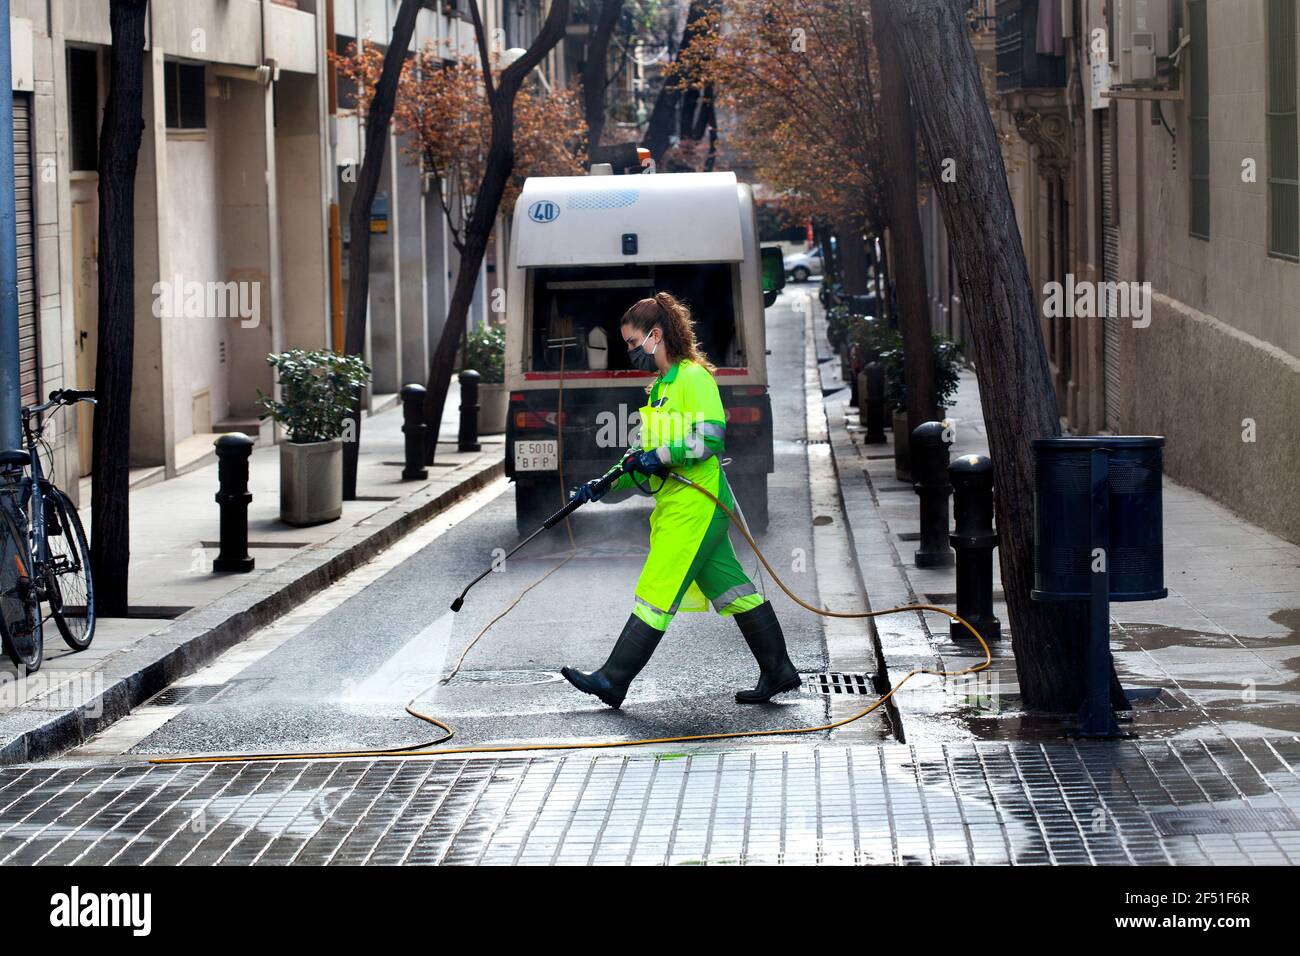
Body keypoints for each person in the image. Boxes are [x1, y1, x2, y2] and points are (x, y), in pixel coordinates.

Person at [561, 292, 801, 709]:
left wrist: (660, 457)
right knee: (734, 591)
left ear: (656, 335)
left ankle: (613, 679)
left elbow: (709, 439)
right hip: (678, 502)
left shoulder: (694, 379)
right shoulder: (659, 389)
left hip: (698, 503)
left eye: (634, 343)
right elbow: (644, 454)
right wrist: (607, 483)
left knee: (658, 589)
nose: (631, 351)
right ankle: (779, 669)